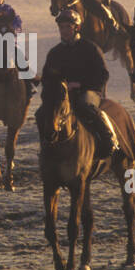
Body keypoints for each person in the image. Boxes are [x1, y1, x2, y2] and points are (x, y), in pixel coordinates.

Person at [40, 8, 118, 158]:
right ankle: (46, 146)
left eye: (68, 27)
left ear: (77, 28)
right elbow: (47, 78)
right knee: (41, 113)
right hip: (63, 95)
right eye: (61, 27)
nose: (64, 30)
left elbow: (103, 74)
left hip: (88, 91)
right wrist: (56, 87)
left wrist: (80, 85)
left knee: (85, 105)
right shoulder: (55, 52)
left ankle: (109, 140)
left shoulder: (90, 48)